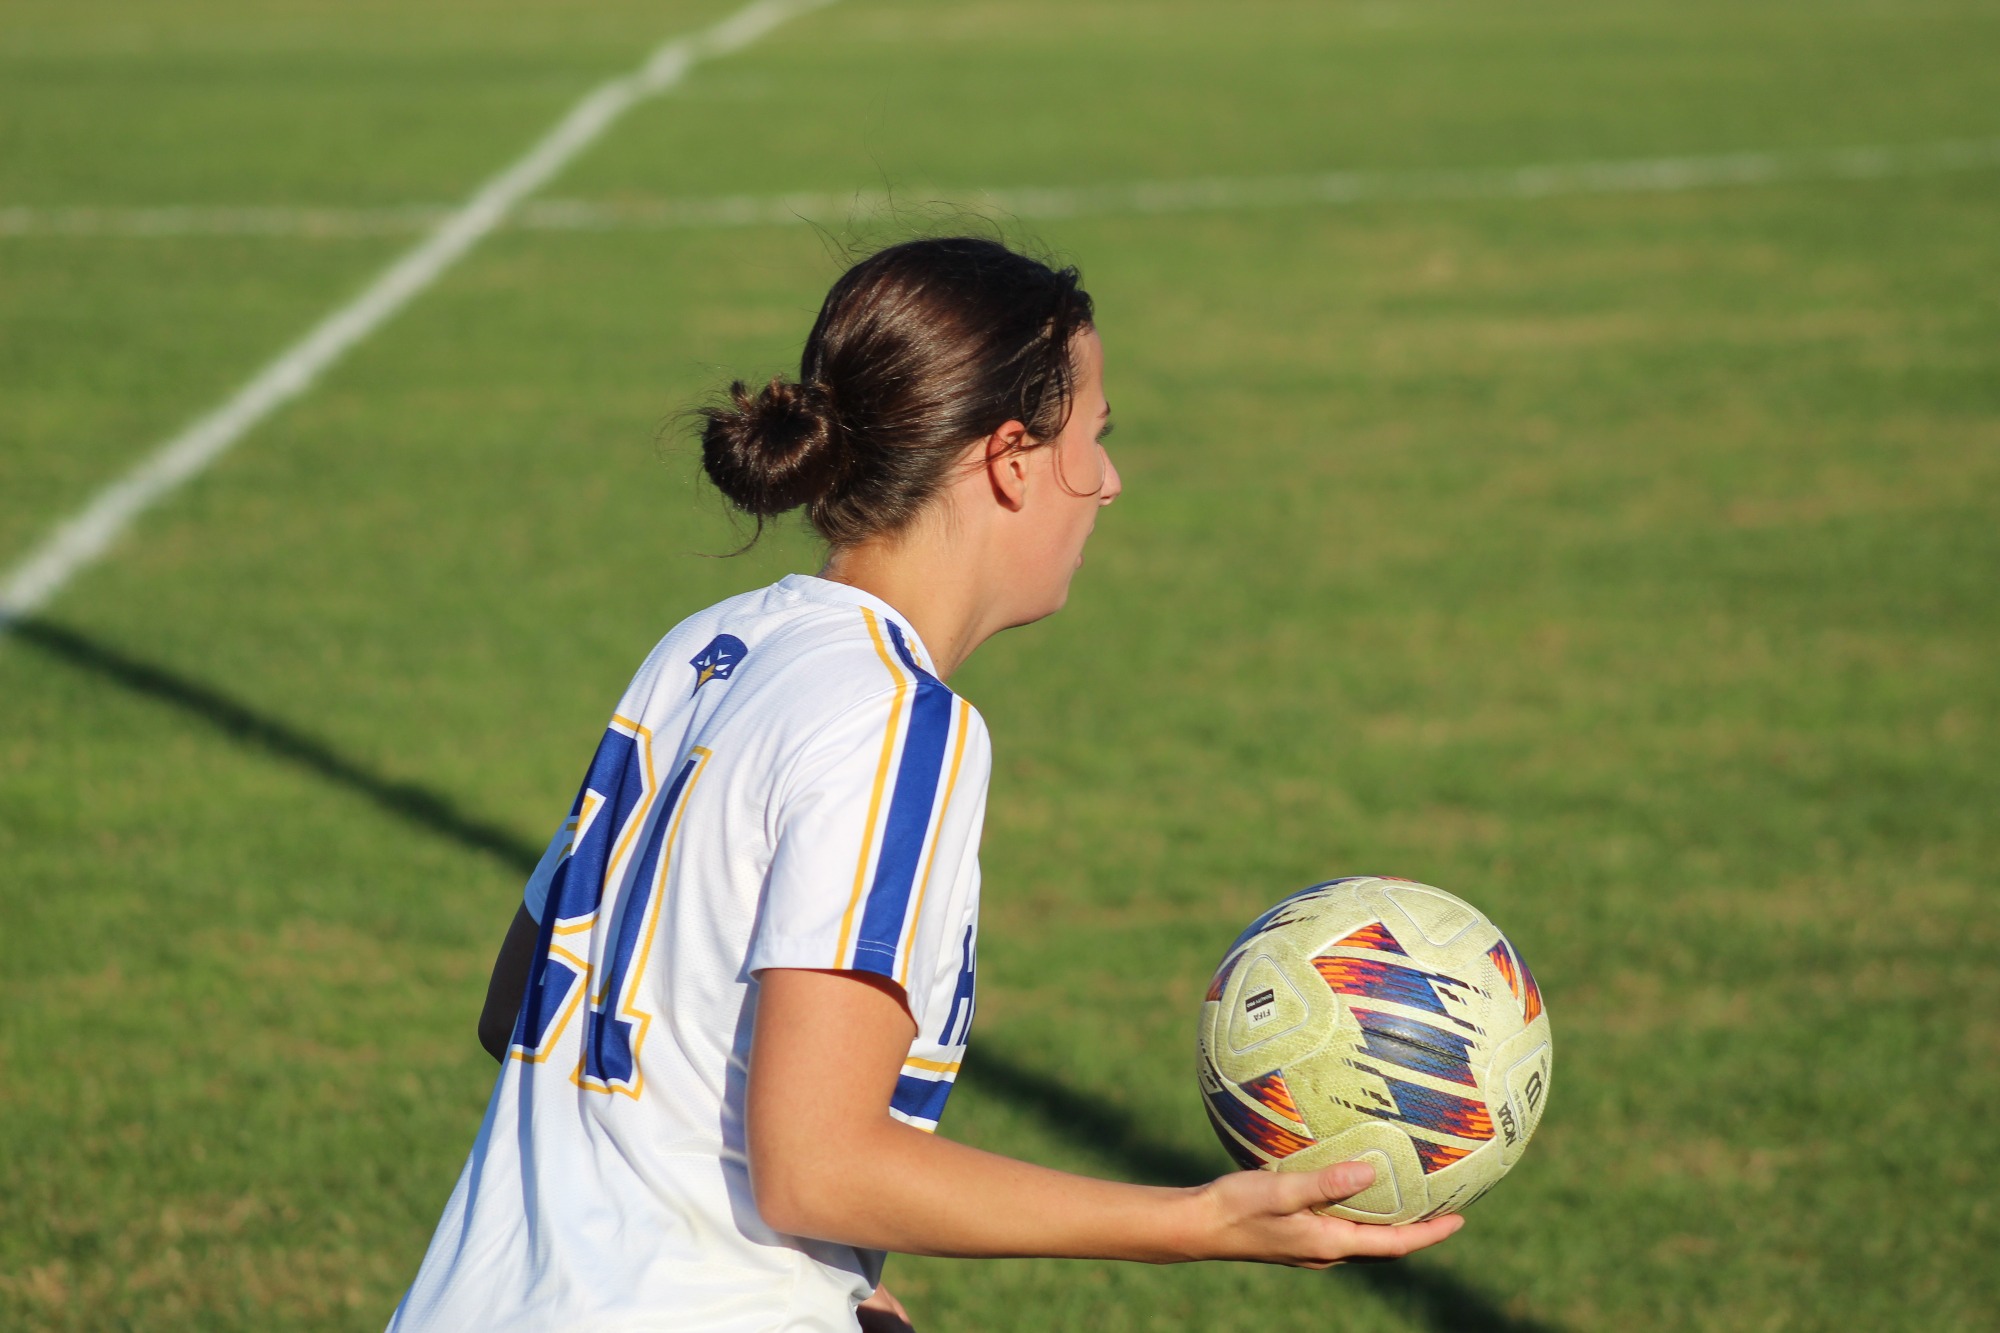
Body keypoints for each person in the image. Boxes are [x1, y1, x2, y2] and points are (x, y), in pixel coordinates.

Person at [387, 237, 1462, 1333]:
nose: (1109, 484)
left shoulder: (706, 648)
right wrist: (1196, 1222)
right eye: (1095, 439)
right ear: (1010, 458)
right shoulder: (899, 720)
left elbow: (519, 1007)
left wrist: (825, 1272)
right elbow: (815, 1165)